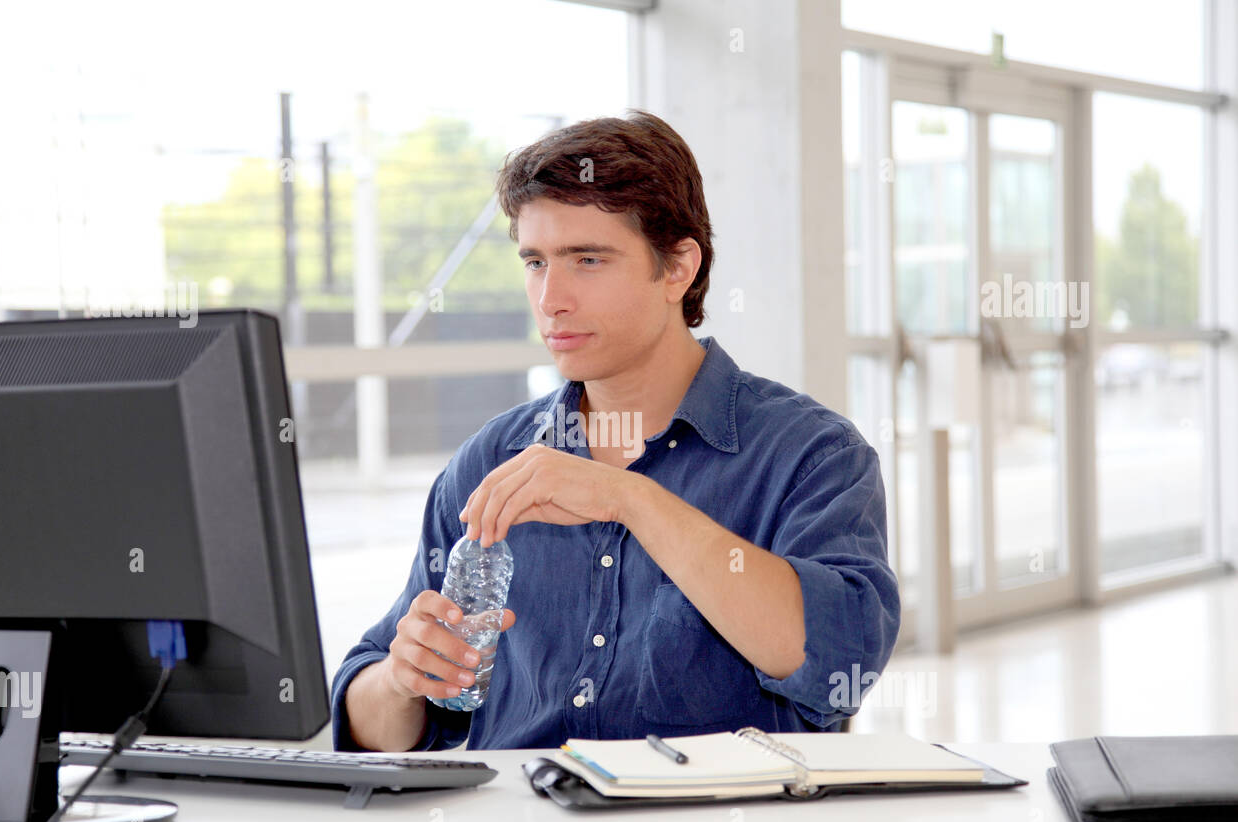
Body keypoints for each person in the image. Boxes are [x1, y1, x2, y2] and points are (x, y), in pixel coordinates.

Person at [332, 109, 900, 752]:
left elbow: (836, 670)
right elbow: (378, 726)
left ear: (678, 267)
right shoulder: (493, 459)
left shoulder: (811, 454)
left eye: (588, 259)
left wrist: (629, 498)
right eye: (536, 262)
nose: (551, 298)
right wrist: (399, 681)